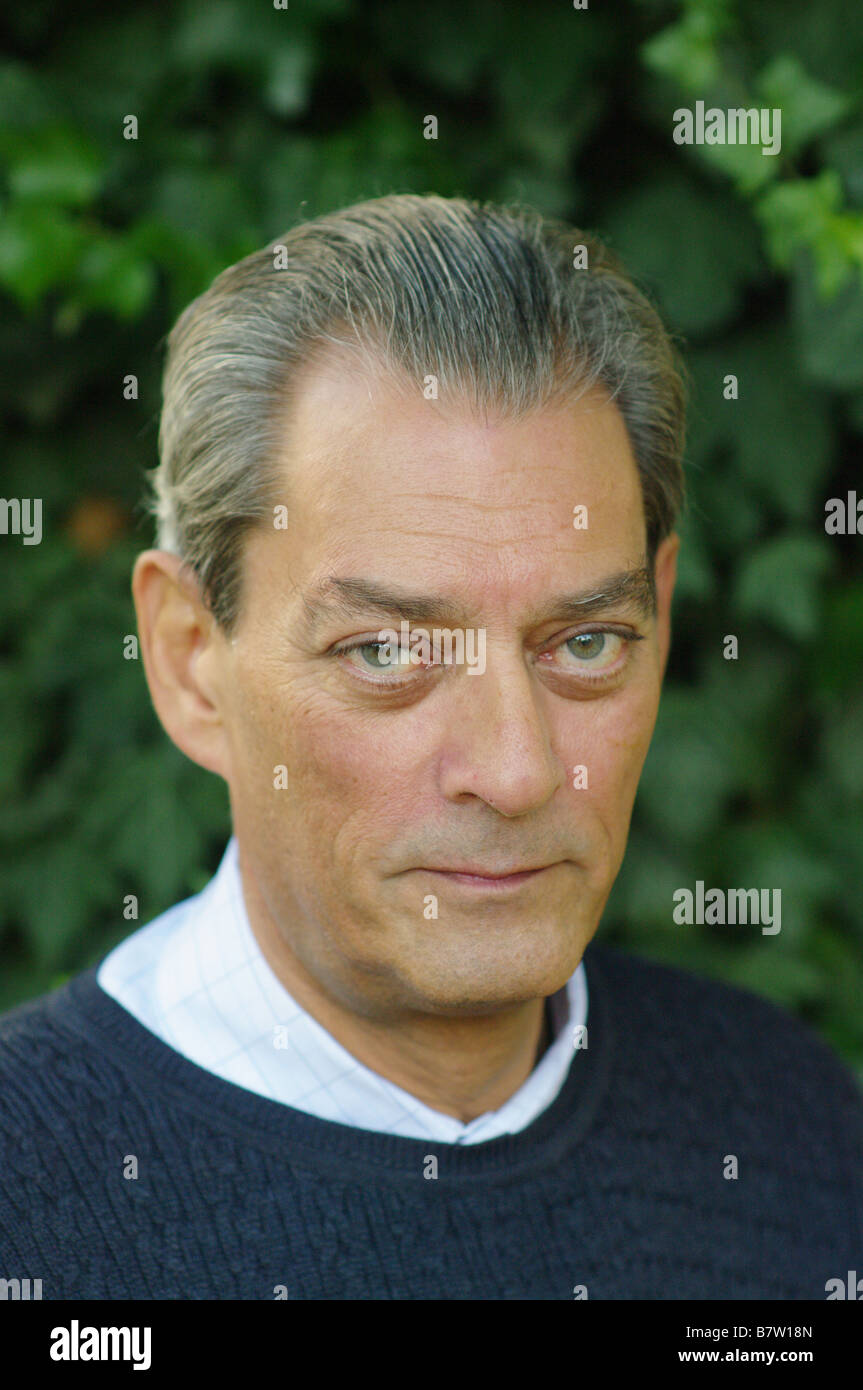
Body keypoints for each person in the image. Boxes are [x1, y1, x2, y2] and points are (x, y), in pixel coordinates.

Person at [1, 194, 860, 1300]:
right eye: (384, 654)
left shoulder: (789, 1123)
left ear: (660, 610)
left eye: (584, 641)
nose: (515, 769)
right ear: (188, 660)